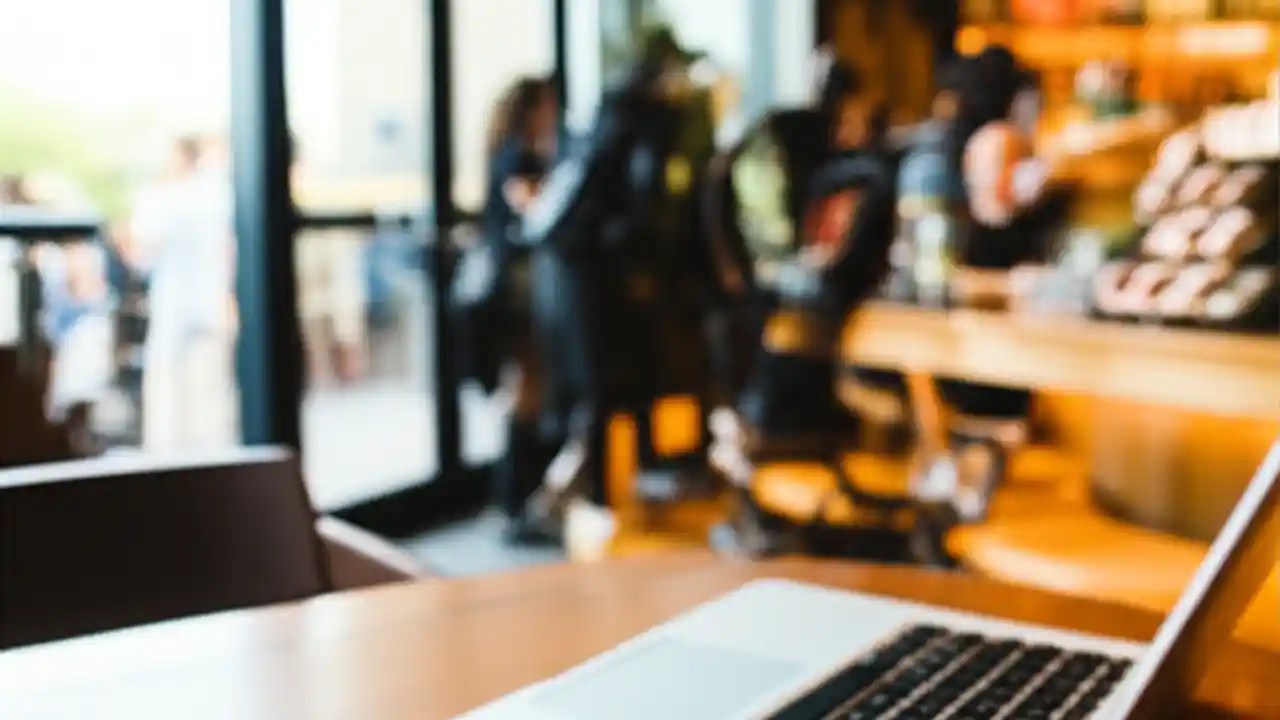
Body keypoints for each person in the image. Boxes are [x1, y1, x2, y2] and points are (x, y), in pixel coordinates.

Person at [131, 136, 237, 451]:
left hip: (175, 308)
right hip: (211, 305)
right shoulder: (217, 197)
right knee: (210, 399)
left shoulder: (162, 199)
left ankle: (168, 477)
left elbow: (142, 254)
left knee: (167, 400)